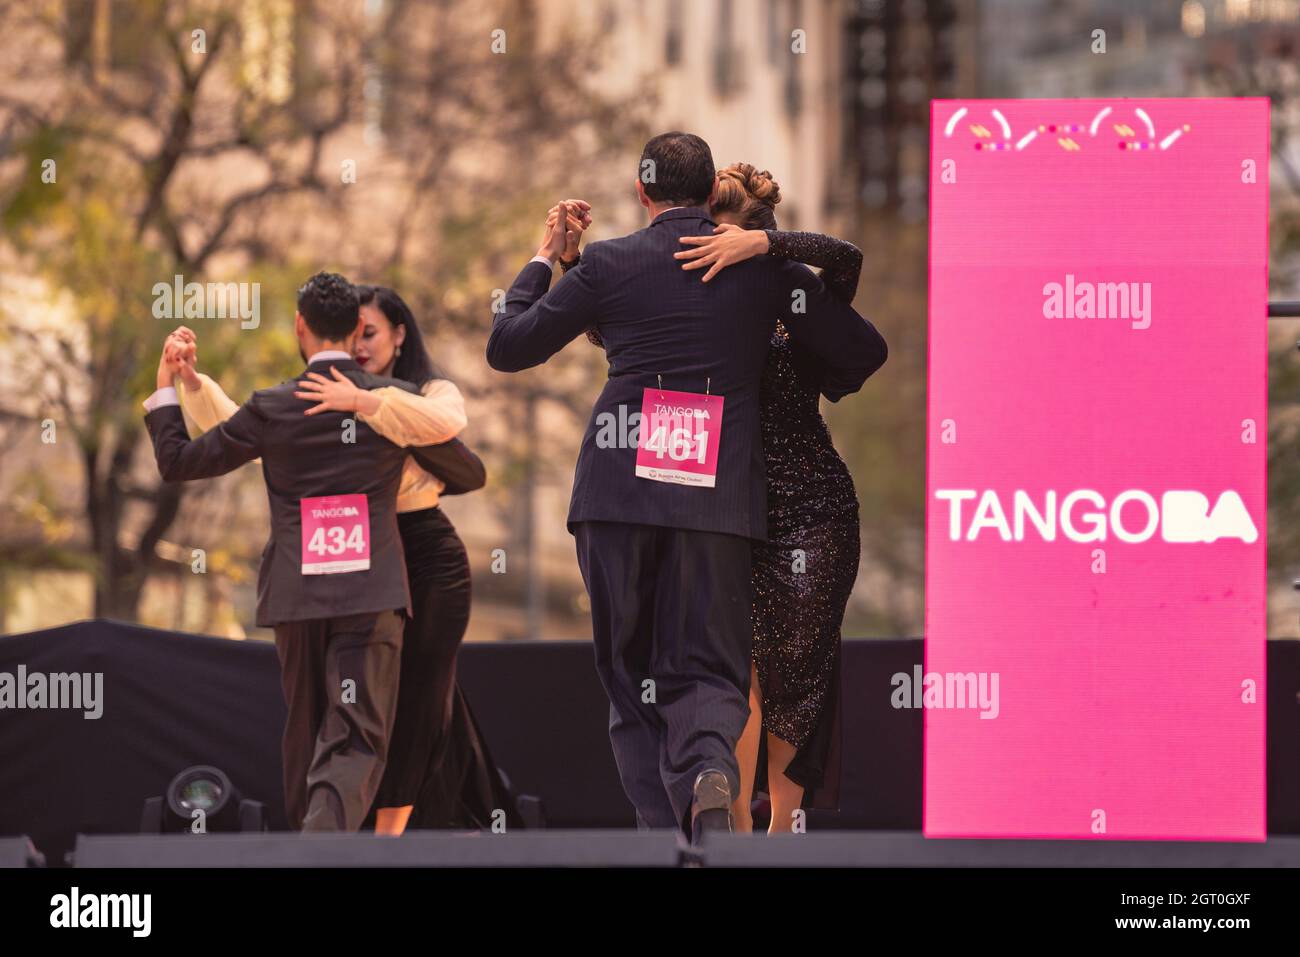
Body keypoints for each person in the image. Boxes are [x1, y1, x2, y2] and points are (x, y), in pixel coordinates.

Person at [486, 132, 887, 842]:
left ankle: (665, 829)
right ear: (710, 194)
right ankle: (708, 774)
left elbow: (509, 344)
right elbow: (863, 348)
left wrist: (548, 257)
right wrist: (771, 254)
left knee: (630, 669)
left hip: (617, 495)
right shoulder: (760, 275)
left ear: (642, 194)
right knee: (708, 664)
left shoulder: (610, 262)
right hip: (715, 503)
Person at [163, 285, 513, 835]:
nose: (363, 348)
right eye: (360, 334)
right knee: (343, 720)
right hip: (358, 568)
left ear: (396, 334)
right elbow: (253, 429)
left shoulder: (408, 395)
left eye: (373, 334)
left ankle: (383, 837)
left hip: (418, 558)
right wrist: (194, 385)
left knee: (418, 701)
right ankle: (334, 840)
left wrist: (369, 404)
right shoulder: (307, 397)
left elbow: (455, 442)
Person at [671, 162, 868, 832]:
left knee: (797, 684)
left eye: (717, 236)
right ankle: (738, 838)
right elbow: (614, 331)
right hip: (731, 517)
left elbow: (846, 259)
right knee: (740, 679)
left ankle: (784, 833)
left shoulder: (794, 304)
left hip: (814, 515)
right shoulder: (693, 303)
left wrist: (769, 247)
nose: (703, 247)